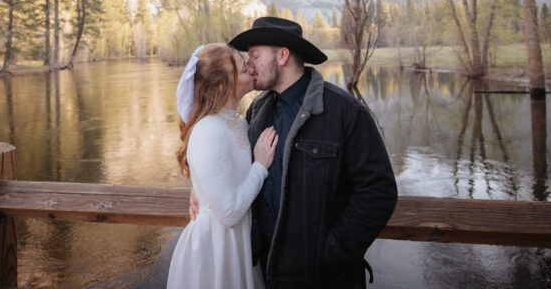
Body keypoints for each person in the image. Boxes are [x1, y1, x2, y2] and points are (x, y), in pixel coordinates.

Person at [192, 16, 398, 288]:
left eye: (254, 55)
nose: (249, 64)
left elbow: (379, 192)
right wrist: (201, 188)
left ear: (283, 56)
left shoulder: (344, 112)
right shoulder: (255, 112)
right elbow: (226, 160)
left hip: (325, 278)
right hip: (266, 274)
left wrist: (331, 251)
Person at [168, 43, 279, 289]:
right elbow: (228, 212)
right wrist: (260, 167)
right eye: (241, 70)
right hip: (216, 248)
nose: (250, 70)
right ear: (223, 86)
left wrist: (201, 189)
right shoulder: (208, 130)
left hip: (240, 241)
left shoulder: (239, 123)